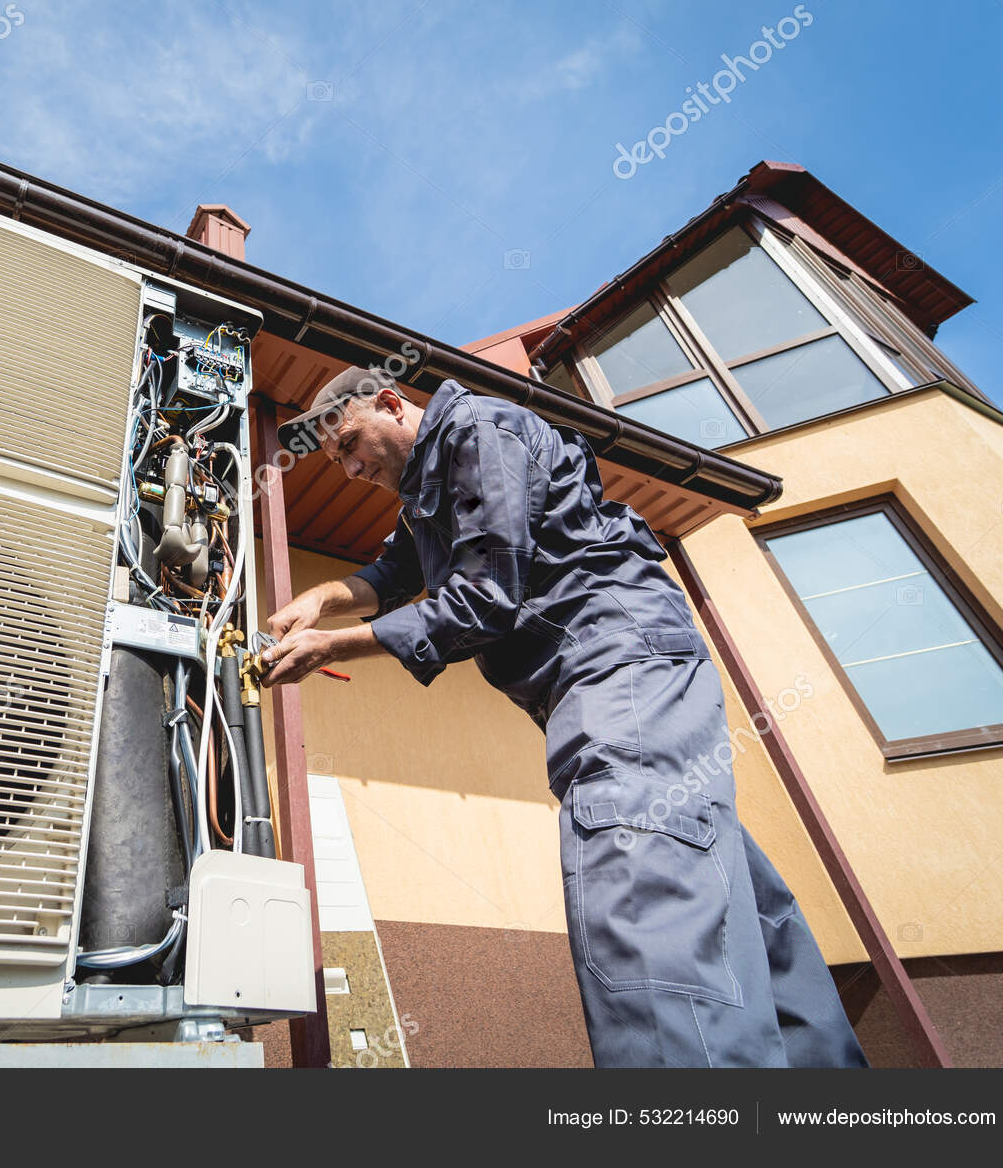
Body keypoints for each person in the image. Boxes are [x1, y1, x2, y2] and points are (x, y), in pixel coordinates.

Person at [258, 365, 866, 1068]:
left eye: (353, 444)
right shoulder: (433, 487)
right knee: (723, 891)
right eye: (336, 462)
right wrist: (324, 598)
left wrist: (331, 647)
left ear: (392, 403)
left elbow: (483, 598)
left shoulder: (478, 430)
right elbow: (393, 572)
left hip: (619, 662)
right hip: (627, 677)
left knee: (643, 881)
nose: (351, 468)